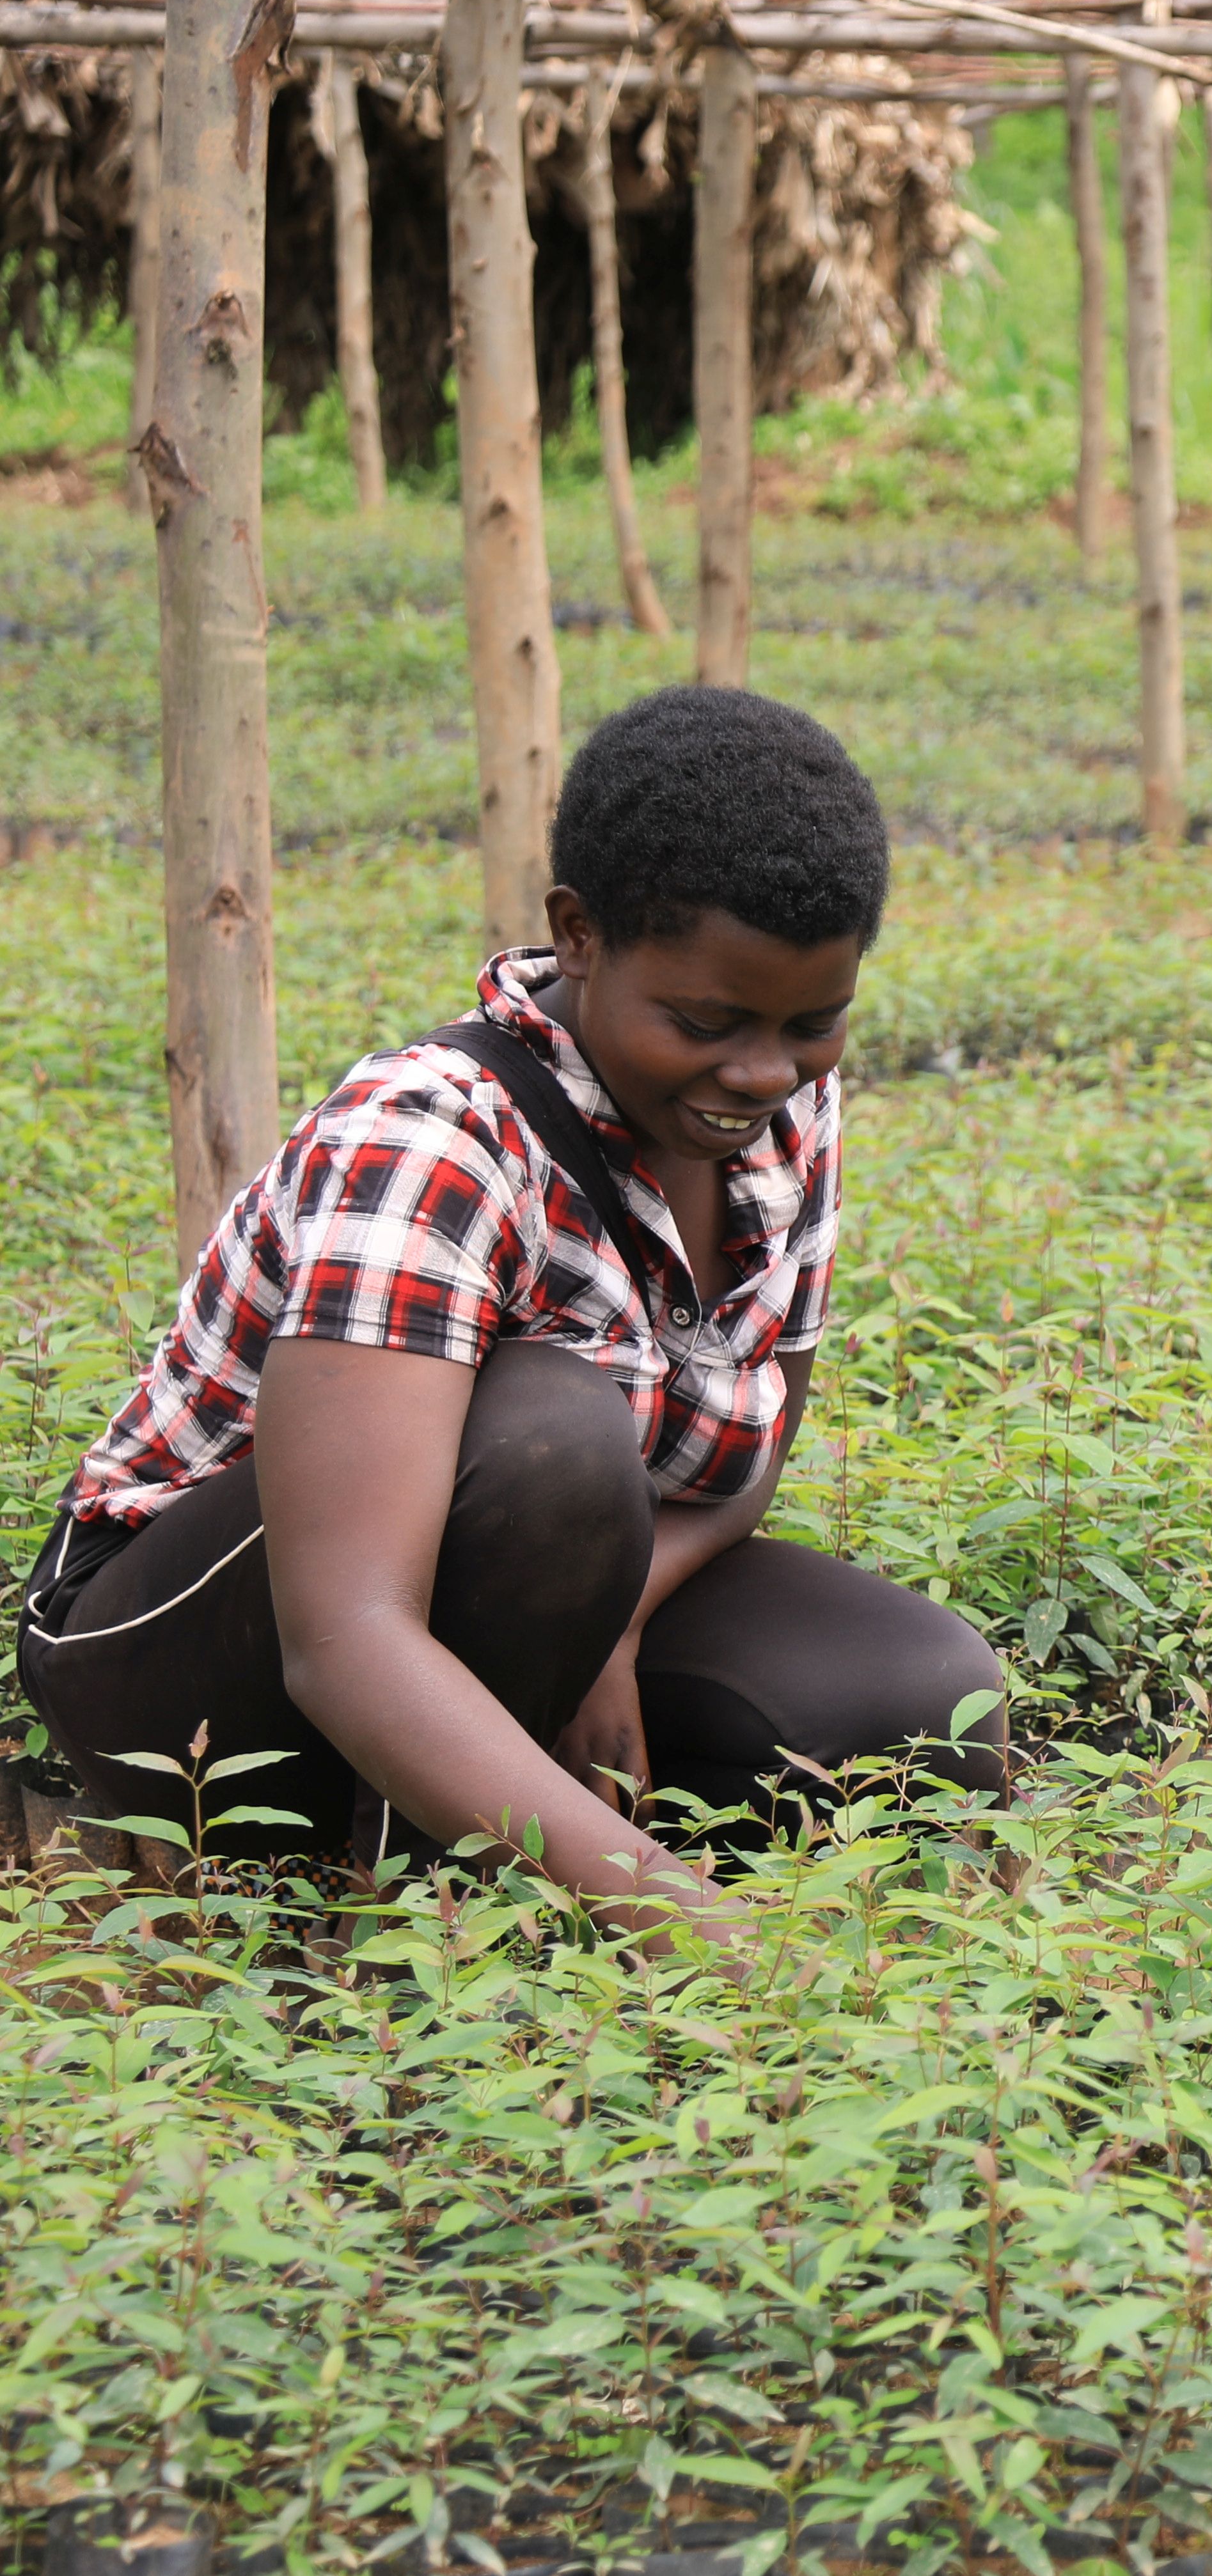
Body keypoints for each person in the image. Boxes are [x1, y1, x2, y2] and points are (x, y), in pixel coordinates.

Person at [14, 687, 1004, 1946]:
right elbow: (346, 1633)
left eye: (813, 1023)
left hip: (536, 1579)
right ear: (578, 935)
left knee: (918, 1694)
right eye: (706, 1022)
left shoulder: (784, 1110)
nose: (761, 1073)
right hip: (189, 1645)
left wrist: (612, 1620)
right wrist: (693, 1925)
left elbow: (747, 1458)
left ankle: (519, 1847)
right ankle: (380, 1937)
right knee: (557, 1437)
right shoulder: (433, 1139)